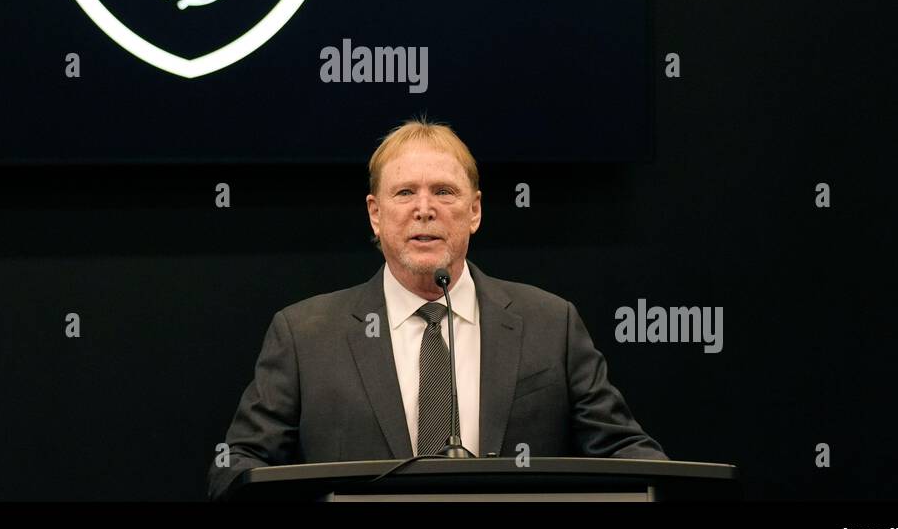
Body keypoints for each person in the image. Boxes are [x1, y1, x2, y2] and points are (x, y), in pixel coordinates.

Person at [207, 117, 667, 500]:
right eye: (405, 193)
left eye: (444, 192)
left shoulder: (551, 323)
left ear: (475, 211)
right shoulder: (305, 335)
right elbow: (236, 469)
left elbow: (626, 452)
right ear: (375, 213)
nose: (424, 209)